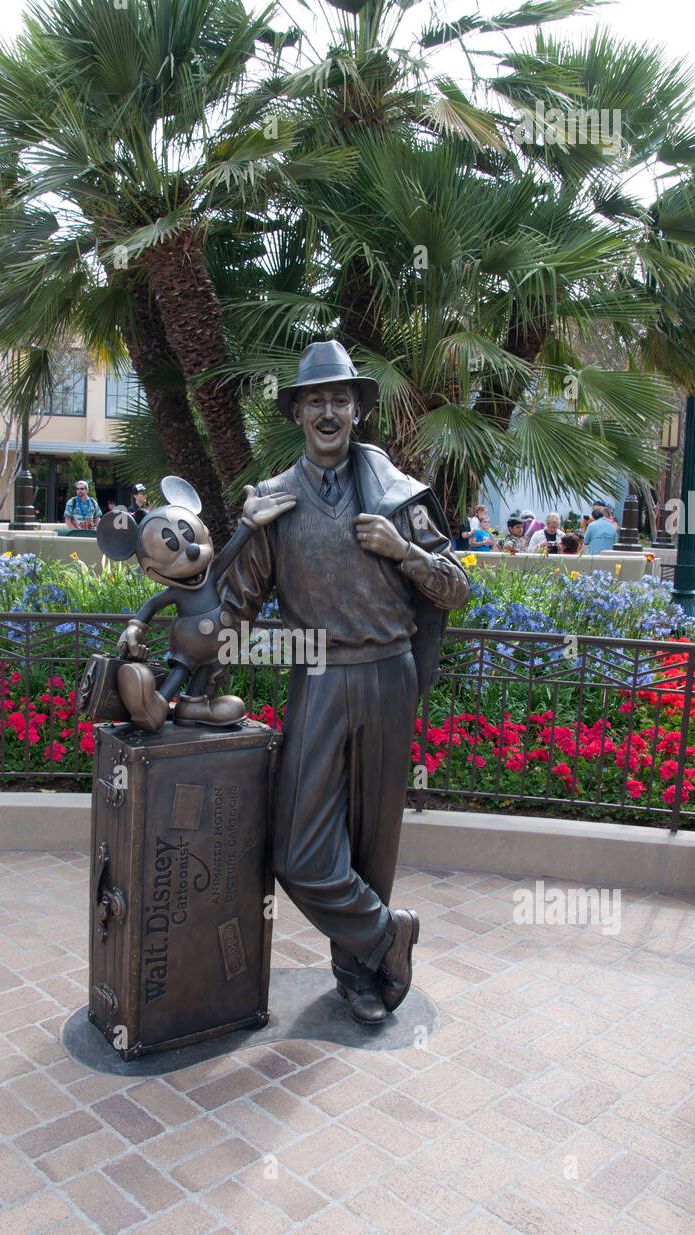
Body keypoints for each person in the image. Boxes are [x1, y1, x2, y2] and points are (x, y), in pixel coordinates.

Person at [218, 340, 470, 1025]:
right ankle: (387, 933)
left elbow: (454, 590)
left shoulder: (398, 496)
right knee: (297, 851)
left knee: (372, 839)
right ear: (297, 411)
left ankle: (360, 975)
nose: (327, 411)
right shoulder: (272, 501)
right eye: (314, 400)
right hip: (320, 678)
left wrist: (404, 550)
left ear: (356, 410)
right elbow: (233, 606)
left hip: (389, 674)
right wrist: (240, 537)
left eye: (340, 399)